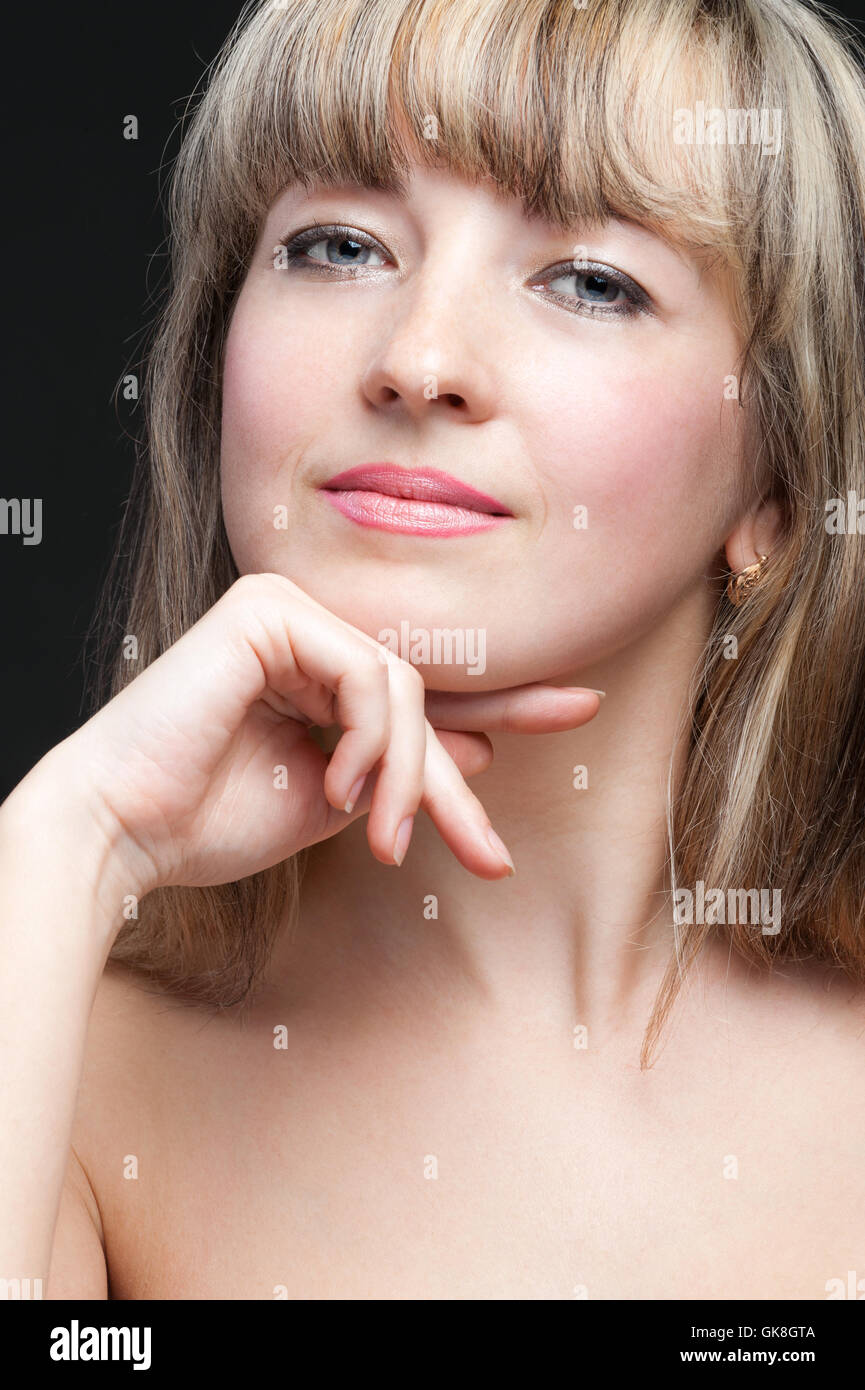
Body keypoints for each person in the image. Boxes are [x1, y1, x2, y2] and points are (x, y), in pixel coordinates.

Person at [2, 0, 864, 1300]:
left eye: (588, 278)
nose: (416, 359)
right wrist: (69, 842)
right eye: (338, 245)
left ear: (775, 490)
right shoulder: (58, 1058)